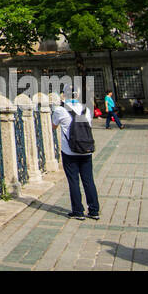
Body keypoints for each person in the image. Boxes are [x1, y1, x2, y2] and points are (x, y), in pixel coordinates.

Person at [52, 86, 99, 220]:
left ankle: (78, 211)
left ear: (63, 95)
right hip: (86, 150)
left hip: (69, 151)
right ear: (77, 95)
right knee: (89, 180)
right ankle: (94, 210)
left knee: (74, 181)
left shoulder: (60, 110)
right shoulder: (87, 109)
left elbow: (53, 126)